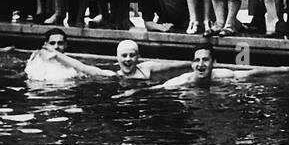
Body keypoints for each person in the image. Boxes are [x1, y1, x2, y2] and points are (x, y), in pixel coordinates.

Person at [31, 38, 190, 85]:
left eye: (132, 55)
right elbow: (82, 67)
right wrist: (57, 55)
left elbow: (171, 65)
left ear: (138, 57)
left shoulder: (147, 69)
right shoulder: (111, 75)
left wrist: (192, 63)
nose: (128, 59)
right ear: (117, 58)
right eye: (124, 56)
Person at [159, 44, 289, 90]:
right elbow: (157, 89)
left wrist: (286, 69)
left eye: (205, 60)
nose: (201, 65)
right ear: (192, 65)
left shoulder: (223, 75)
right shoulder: (182, 82)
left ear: (214, 63)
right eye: (197, 60)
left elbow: (253, 73)